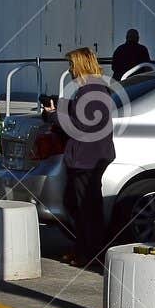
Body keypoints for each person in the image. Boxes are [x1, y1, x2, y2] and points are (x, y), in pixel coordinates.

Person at [53, 47, 118, 269]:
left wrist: (58, 111)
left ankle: (91, 252)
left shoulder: (92, 90)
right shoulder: (93, 89)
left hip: (87, 158)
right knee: (77, 204)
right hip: (88, 156)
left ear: (80, 65)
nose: (70, 70)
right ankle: (83, 249)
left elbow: (78, 126)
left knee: (86, 207)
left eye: (72, 65)